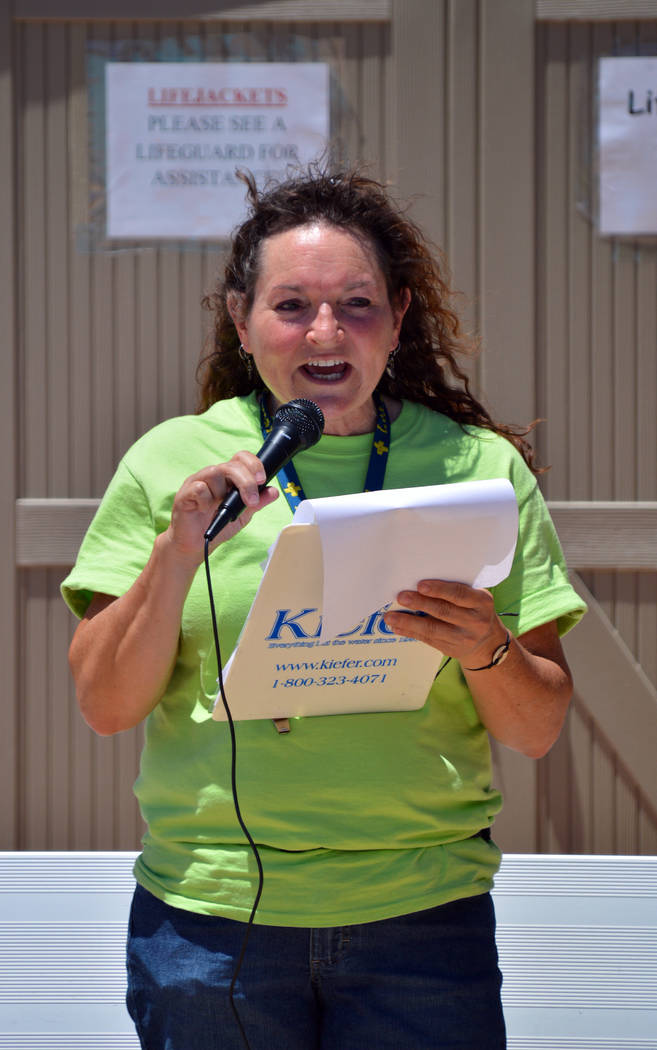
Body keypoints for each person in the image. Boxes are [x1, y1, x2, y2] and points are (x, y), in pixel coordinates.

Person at [62, 167, 586, 1050]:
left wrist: (487, 648)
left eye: (356, 304)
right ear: (240, 320)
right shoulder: (171, 463)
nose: (325, 332)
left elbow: (536, 729)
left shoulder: (479, 469)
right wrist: (176, 552)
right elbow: (106, 706)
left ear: (399, 316)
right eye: (291, 304)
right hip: (210, 920)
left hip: (422, 918)